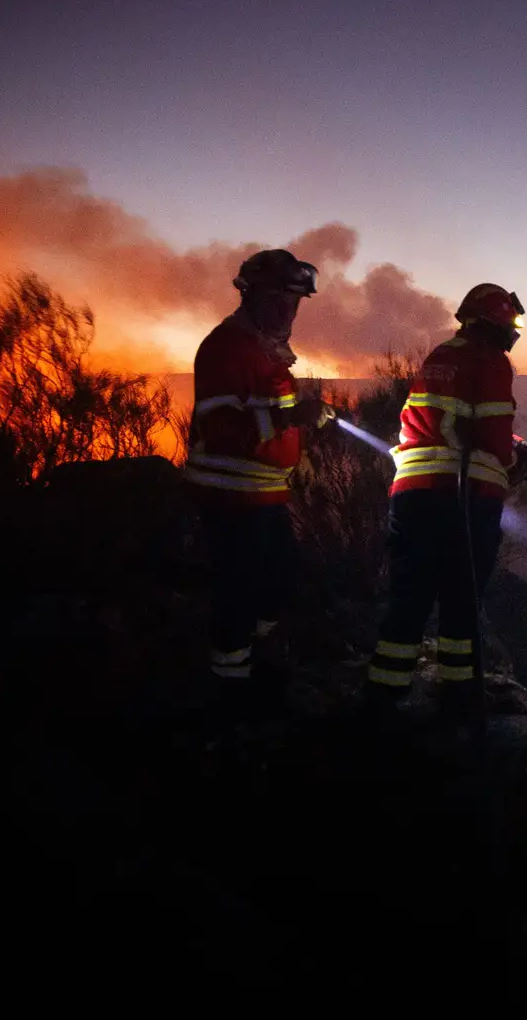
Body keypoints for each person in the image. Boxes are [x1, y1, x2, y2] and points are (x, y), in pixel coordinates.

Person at [364, 282, 527, 719]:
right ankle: (460, 698)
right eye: (512, 323)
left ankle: (381, 699)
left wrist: (506, 445)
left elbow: (452, 422)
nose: (514, 332)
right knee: (461, 598)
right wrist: (516, 462)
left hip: (411, 495)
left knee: (409, 596)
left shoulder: (441, 357)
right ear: (498, 321)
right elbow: (492, 437)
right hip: (463, 499)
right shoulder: (492, 362)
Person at [185, 249, 332, 712]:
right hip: (230, 496)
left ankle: (258, 662)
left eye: (293, 301)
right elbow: (222, 429)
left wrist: (300, 421)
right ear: (250, 295)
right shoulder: (227, 348)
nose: (287, 310)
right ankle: (230, 692)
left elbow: (267, 414)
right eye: (277, 298)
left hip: (265, 495)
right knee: (239, 591)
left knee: (280, 581)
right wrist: (292, 417)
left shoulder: (265, 351)